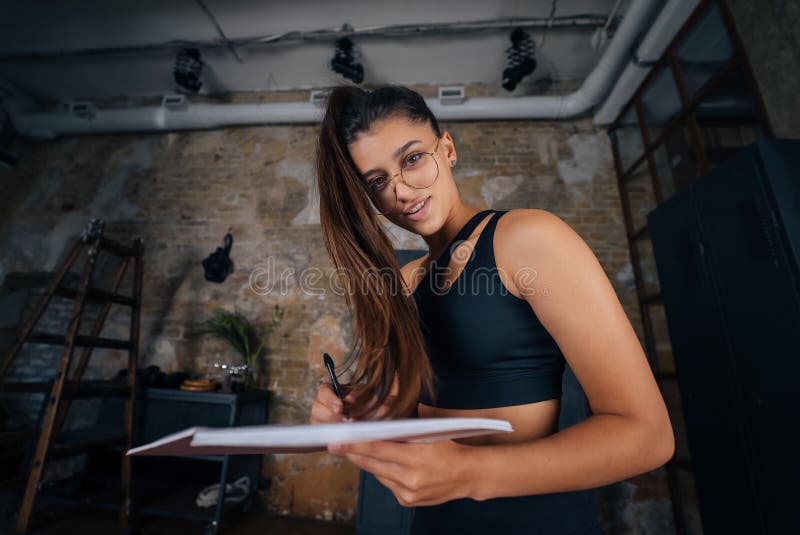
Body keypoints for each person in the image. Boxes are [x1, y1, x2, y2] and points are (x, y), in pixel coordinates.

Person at [310, 84, 674, 534]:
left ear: (447, 149)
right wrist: (358, 412)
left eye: (412, 159)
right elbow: (414, 412)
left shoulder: (528, 239)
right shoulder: (405, 281)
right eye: (378, 181)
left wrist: (468, 471)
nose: (401, 191)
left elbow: (648, 436)